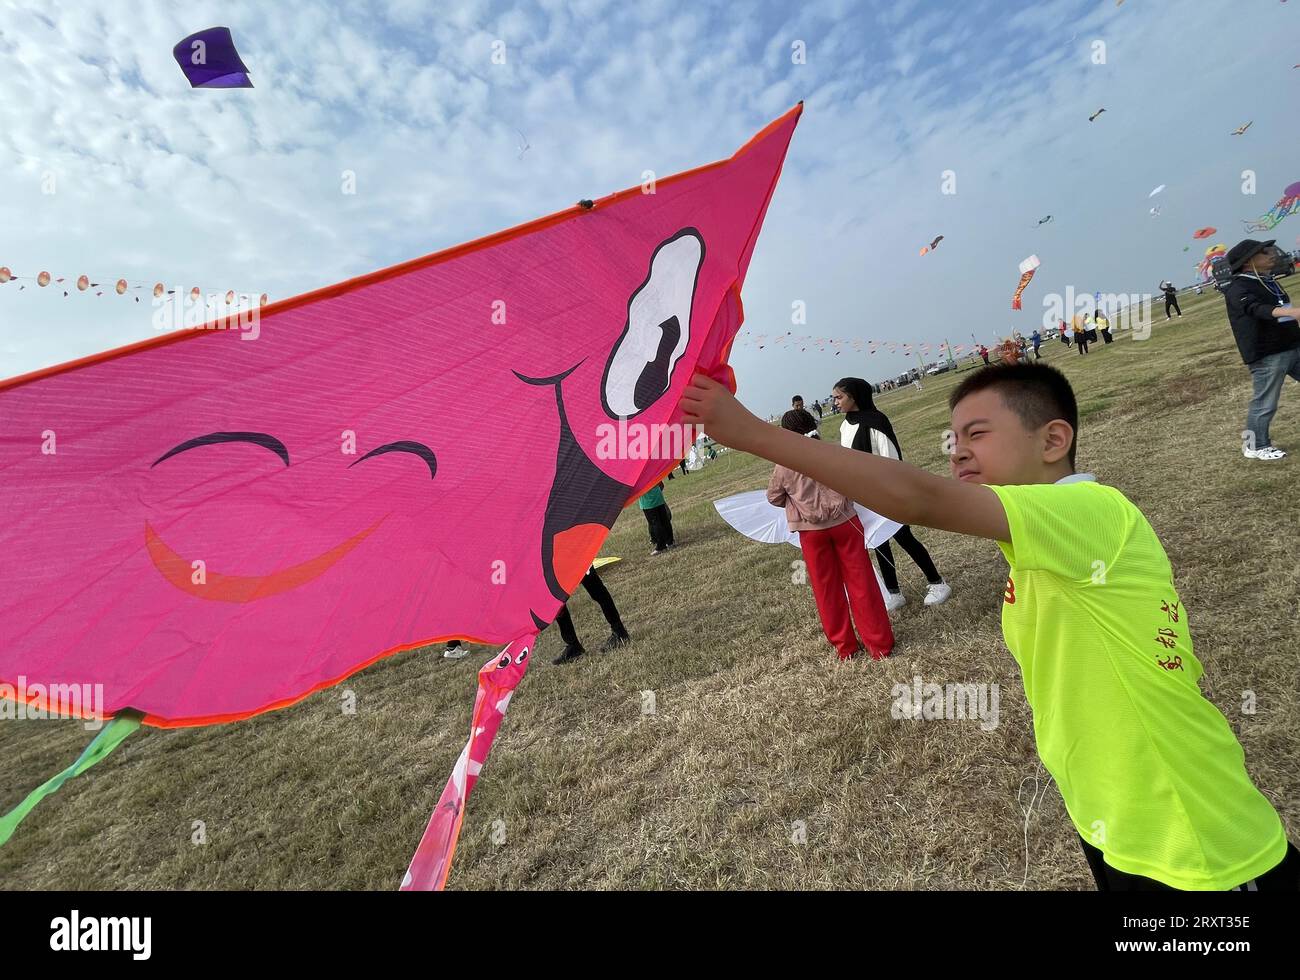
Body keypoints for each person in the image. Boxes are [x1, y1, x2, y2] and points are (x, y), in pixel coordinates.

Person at [682, 362, 1298, 892]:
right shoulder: (1038, 540)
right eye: (953, 437)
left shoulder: (1091, 511)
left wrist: (754, 435)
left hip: (1195, 831)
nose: (957, 450)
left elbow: (914, 498)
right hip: (1115, 813)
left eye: (977, 434)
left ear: (1053, 439)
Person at [768, 409, 894, 661]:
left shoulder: (783, 465)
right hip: (846, 523)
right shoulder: (833, 451)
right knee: (862, 582)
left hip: (811, 533)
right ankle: (879, 643)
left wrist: (796, 503)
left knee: (827, 589)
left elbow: (773, 497)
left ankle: (845, 647)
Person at [831, 377, 950, 610]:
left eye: (839, 397)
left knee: (904, 537)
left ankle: (937, 582)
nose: (835, 402)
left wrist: (889, 493)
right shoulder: (846, 424)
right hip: (864, 496)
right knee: (879, 543)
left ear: (854, 397)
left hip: (886, 493)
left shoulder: (876, 422)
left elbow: (890, 460)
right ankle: (893, 591)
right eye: (834, 397)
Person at [1222, 238, 1300, 461]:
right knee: (1264, 402)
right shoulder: (1238, 287)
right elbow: (1255, 309)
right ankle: (1254, 446)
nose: (1271, 254)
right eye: (1265, 252)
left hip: (1292, 345)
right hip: (1267, 354)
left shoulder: (1267, 280)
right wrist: (1289, 313)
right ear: (1248, 262)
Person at [551, 565, 630, 664]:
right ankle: (573, 646)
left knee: (596, 590)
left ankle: (620, 632)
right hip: (551, 560)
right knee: (557, 601)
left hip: (574, 555)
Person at [638, 480, 674, 555]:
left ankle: (661, 546)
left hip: (648, 503)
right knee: (665, 521)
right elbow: (661, 484)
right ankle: (670, 542)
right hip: (659, 498)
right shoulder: (651, 471)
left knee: (655, 524)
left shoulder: (637, 476)